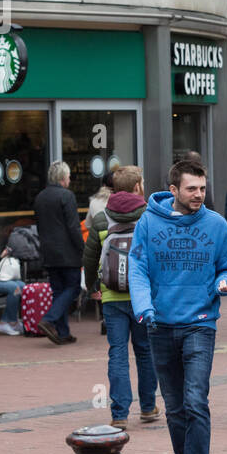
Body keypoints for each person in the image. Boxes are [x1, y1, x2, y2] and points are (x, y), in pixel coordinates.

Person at [128, 158, 227, 454]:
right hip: (159, 325)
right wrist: (144, 307)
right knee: (175, 408)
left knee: (195, 402)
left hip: (200, 323)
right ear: (173, 189)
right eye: (191, 188)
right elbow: (138, 267)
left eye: (203, 188)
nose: (199, 195)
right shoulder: (148, 222)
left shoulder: (216, 224)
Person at [84, 165, 159, 429]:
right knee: (145, 351)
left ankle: (119, 413)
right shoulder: (150, 216)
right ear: (138, 186)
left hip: (112, 295)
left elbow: (91, 255)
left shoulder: (103, 218)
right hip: (142, 295)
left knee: (117, 353)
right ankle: (148, 407)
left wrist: (91, 285)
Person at [33, 161, 85, 345]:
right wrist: (82, 249)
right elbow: (73, 227)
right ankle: (50, 318)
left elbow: (39, 226)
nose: (70, 180)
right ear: (63, 178)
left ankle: (63, 332)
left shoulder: (40, 197)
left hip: (48, 251)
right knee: (73, 288)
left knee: (58, 291)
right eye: (69, 176)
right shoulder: (66, 196)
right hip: (68, 252)